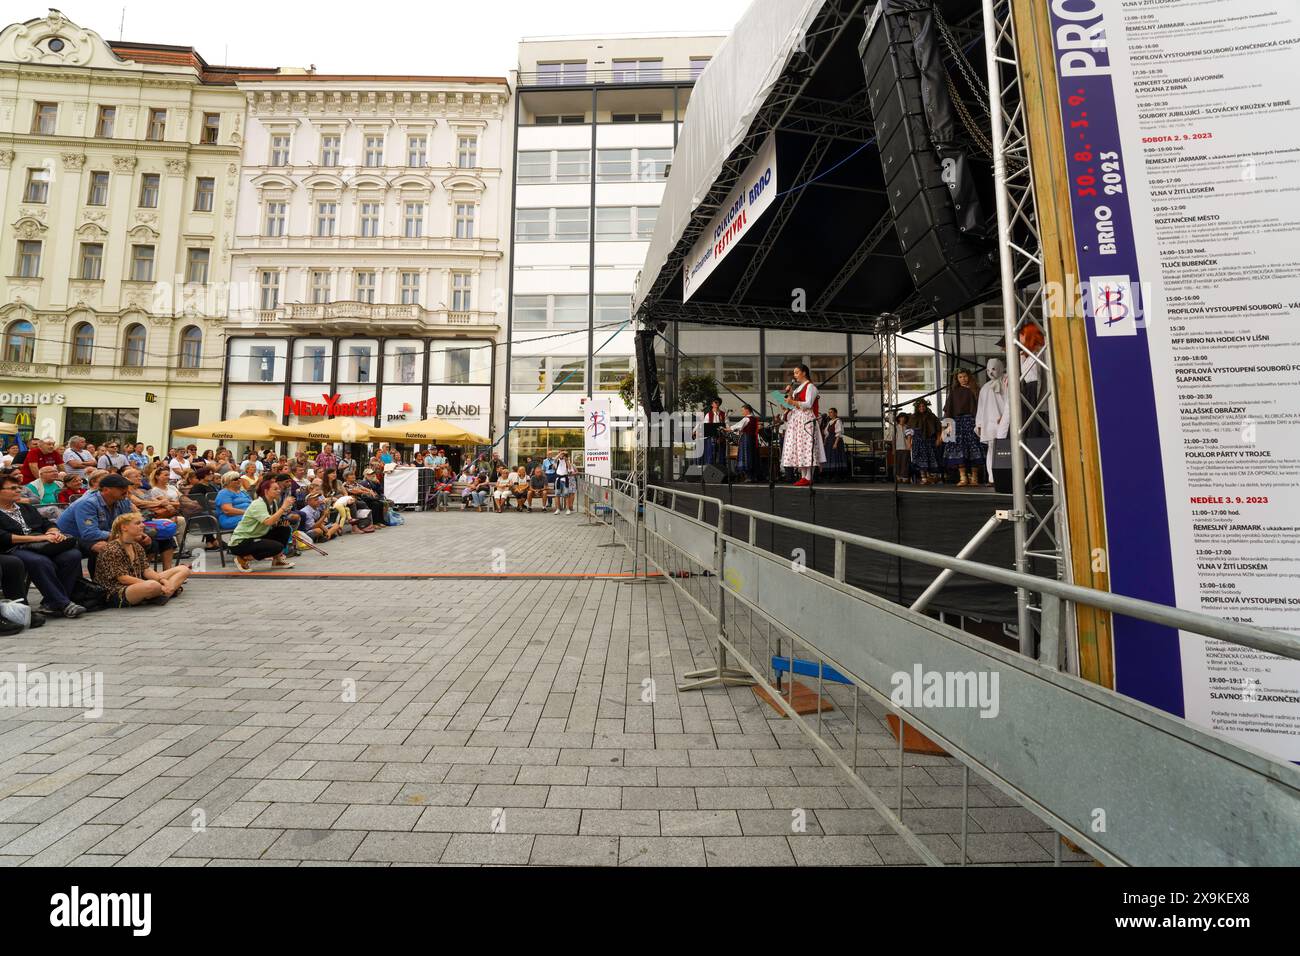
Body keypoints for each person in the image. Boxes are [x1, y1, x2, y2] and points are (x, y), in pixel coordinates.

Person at [0, 473, 86, 618]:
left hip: (41, 545)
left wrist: (53, 531)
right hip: (13, 548)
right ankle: (63, 603)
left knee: (72, 555)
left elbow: (46, 522)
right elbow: (4, 537)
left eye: (18, 487)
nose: (18, 490)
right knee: (39, 561)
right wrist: (41, 537)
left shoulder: (25, 507)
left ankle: (51, 603)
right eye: (12, 488)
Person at [94, 512, 190, 607]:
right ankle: (166, 592)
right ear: (124, 527)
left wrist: (163, 581)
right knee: (152, 585)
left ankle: (164, 593)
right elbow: (123, 579)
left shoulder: (136, 546)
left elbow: (146, 570)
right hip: (116, 591)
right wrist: (159, 584)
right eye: (137, 523)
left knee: (183, 569)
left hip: (137, 582)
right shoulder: (112, 549)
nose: (143, 525)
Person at [228, 478, 296, 572]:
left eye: (279, 489)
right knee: (277, 547)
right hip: (241, 542)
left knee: (284, 529)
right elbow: (268, 522)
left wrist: (282, 521)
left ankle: (277, 561)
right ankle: (243, 558)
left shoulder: (273, 502)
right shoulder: (258, 504)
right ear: (266, 491)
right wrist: (283, 507)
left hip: (257, 535)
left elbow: (274, 522)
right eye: (275, 489)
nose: (279, 491)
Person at [779, 364, 826, 487]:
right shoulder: (798, 388)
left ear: (804, 373)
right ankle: (803, 476)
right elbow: (791, 405)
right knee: (799, 447)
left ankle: (808, 476)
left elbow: (808, 404)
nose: (795, 375)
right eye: (794, 373)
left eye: (797, 372)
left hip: (806, 419)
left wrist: (793, 401)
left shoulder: (811, 387)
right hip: (797, 418)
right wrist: (789, 394)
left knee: (806, 446)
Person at [942, 368, 984, 486]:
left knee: (973, 448)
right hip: (957, 423)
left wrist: (980, 423)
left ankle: (974, 478)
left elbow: (981, 408)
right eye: (960, 377)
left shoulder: (976, 390)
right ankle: (963, 477)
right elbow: (948, 411)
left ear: (969, 377)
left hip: (972, 422)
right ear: (957, 379)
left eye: (965, 376)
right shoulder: (954, 392)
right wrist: (945, 430)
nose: (963, 379)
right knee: (959, 450)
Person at [974, 357, 1009, 487]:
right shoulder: (985, 388)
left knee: (1005, 449)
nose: (991, 372)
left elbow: (1009, 401)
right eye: (988, 370)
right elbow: (981, 408)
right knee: (992, 450)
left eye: (994, 369)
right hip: (989, 424)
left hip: (1003, 421)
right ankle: (992, 478)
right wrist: (979, 424)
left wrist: (1006, 416)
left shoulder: (1006, 381)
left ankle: (1005, 476)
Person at [909, 398, 943, 485]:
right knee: (920, 460)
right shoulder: (913, 417)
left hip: (929, 441)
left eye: (923, 406)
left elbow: (938, 428)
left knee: (930, 458)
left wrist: (938, 439)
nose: (921, 408)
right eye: (920, 406)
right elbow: (909, 431)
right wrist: (909, 443)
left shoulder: (932, 416)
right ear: (917, 407)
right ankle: (923, 477)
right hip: (917, 442)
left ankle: (930, 477)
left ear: (926, 406)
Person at [727, 404, 761, 482]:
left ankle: (749, 476)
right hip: (753, 439)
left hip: (746, 439)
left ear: (747, 410)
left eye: (743, 410)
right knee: (753, 456)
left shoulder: (746, 419)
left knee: (746, 456)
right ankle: (753, 476)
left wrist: (728, 429)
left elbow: (737, 426)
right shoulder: (755, 419)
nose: (742, 412)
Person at [822, 407, 847, 481]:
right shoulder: (829, 422)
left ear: (835, 413)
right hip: (829, 441)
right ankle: (831, 475)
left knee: (836, 457)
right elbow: (826, 434)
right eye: (829, 412)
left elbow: (839, 433)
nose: (829, 414)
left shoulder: (838, 421)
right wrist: (824, 442)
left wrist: (835, 443)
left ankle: (837, 476)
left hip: (836, 441)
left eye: (831, 412)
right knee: (830, 457)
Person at [893, 413, 912, 484]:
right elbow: (893, 439)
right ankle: (898, 477)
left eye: (904, 417)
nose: (902, 419)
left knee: (905, 463)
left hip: (905, 448)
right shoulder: (895, 427)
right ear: (898, 418)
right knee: (898, 463)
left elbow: (909, 438)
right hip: (897, 448)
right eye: (901, 417)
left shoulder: (907, 427)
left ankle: (905, 477)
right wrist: (893, 449)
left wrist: (909, 446)